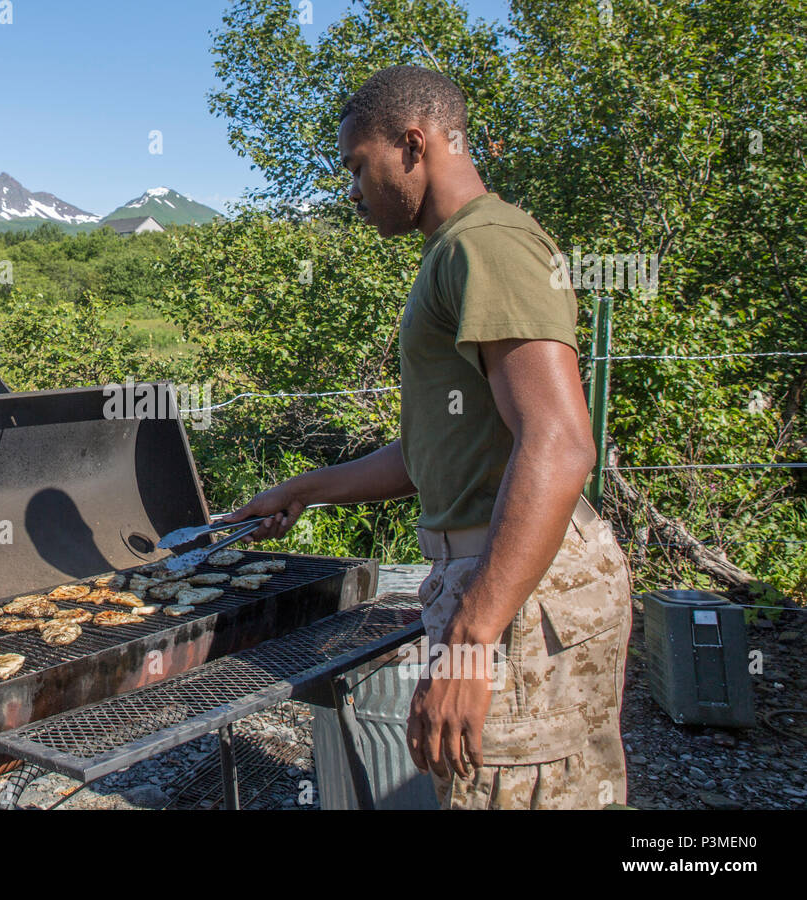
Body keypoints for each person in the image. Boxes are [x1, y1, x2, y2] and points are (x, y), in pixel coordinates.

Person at [221, 65, 632, 809]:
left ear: (412, 145)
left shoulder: (488, 246)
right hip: (495, 582)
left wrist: (473, 645)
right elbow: (432, 455)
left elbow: (562, 442)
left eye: (357, 167)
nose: (351, 193)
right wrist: (301, 492)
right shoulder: (454, 252)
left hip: (518, 592)